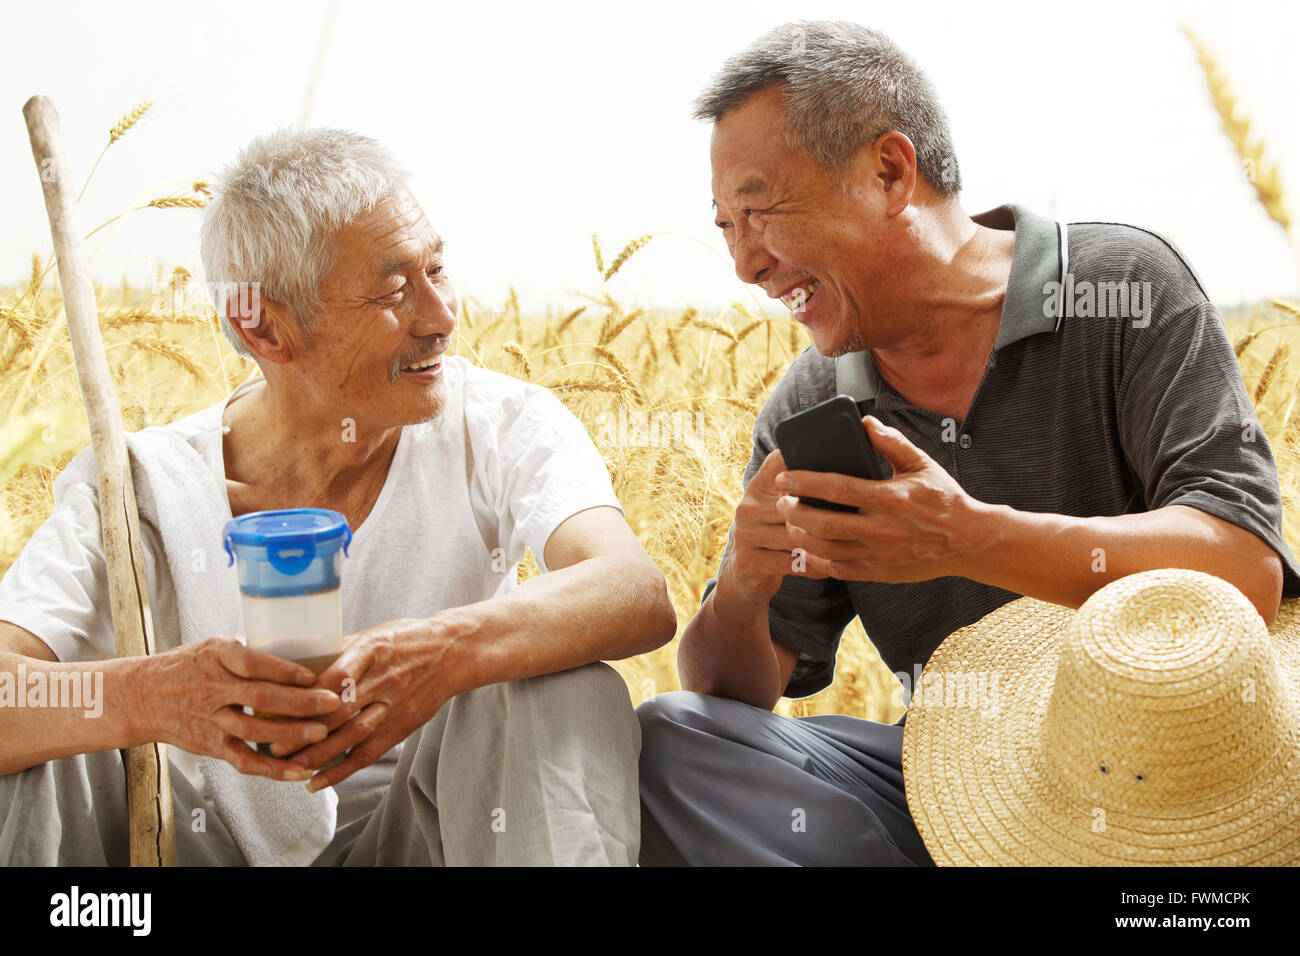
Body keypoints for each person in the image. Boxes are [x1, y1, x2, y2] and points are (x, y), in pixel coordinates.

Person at [637, 20, 1300, 866]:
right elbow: (739, 693)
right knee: (669, 737)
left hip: (1178, 777)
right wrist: (743, 585)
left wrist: (972, 538)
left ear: (889, 172)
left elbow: (1246, 568)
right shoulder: (807, 408)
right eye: (727, 224)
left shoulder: (1124, 289)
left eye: (761, 210)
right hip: (948, 784)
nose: (746, 264)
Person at [0, 127, 677, 866]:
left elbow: (633, 591)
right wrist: (153, 697)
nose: (441, 316)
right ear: (265, 326)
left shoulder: (502, 426)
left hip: (412, 841)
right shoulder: (141, 488)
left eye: (437, 270)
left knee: (561, 688)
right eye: (393, 290)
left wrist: (439, 652)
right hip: (188, 851)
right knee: (52, 736)